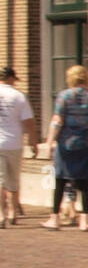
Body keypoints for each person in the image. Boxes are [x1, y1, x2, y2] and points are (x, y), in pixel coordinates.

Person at [41, 65, 88, 232]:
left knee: (61, 180)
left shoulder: (64, 96)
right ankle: (84, 221)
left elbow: (57, 121)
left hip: (66, 145)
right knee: (85, 182)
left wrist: (49, 142)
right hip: (87, 145)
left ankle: (54, 218)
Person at [0, 66, 37, 227]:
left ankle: (1, 215)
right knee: (13, 179)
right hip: (14, 142)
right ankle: (13, 212)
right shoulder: (19, 96)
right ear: (11, 78)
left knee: (0, 181)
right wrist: (33, 141)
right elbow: (29, 121)